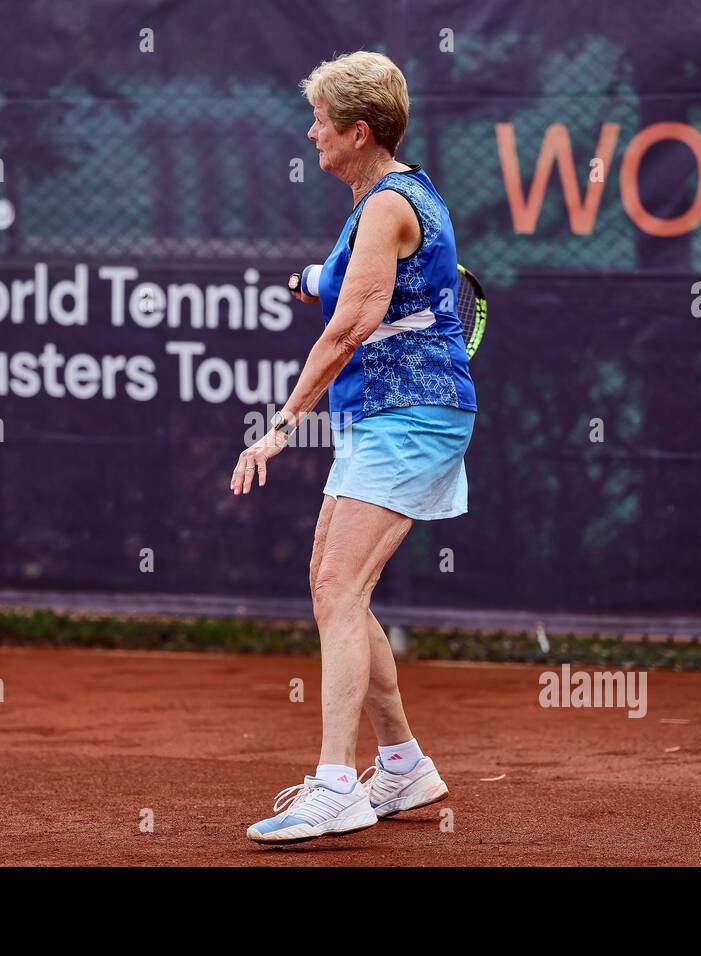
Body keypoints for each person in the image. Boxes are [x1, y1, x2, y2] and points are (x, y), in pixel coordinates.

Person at [229, 51, 477, 844]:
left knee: (339, 584)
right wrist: (309, 278)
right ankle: (402, 766)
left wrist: (281, 421)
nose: (310, 135)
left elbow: (352, 323)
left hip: (413, 412)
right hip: (385, 416)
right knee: (333, 584)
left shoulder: (386, 208)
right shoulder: (384, 203)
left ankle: (338, 784)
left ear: (358, 131)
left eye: (320, 122)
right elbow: (344, 281)